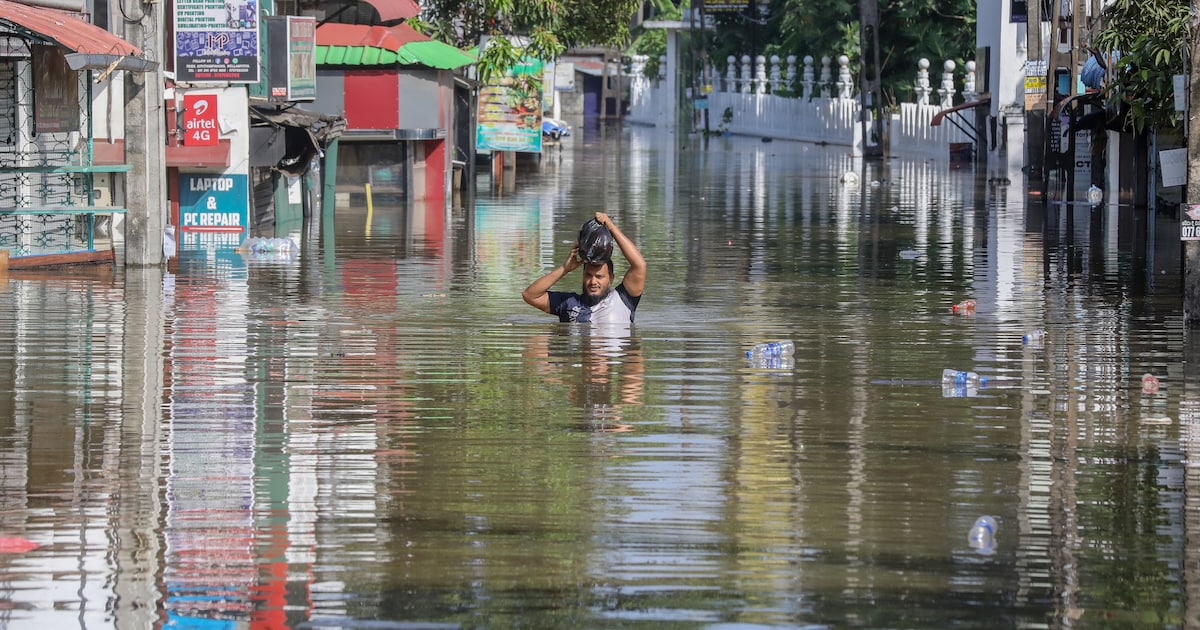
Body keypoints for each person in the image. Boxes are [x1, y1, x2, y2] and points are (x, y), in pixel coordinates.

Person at [522, 212, 645, 323]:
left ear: (611, 278)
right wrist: (565, 269)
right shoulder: (569, 303)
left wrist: (611, 226)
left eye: (599, 277)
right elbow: (530, 295)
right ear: (583, 275)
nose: (593, 281)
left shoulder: (623, 300)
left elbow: (639, 265)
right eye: (588, 275)